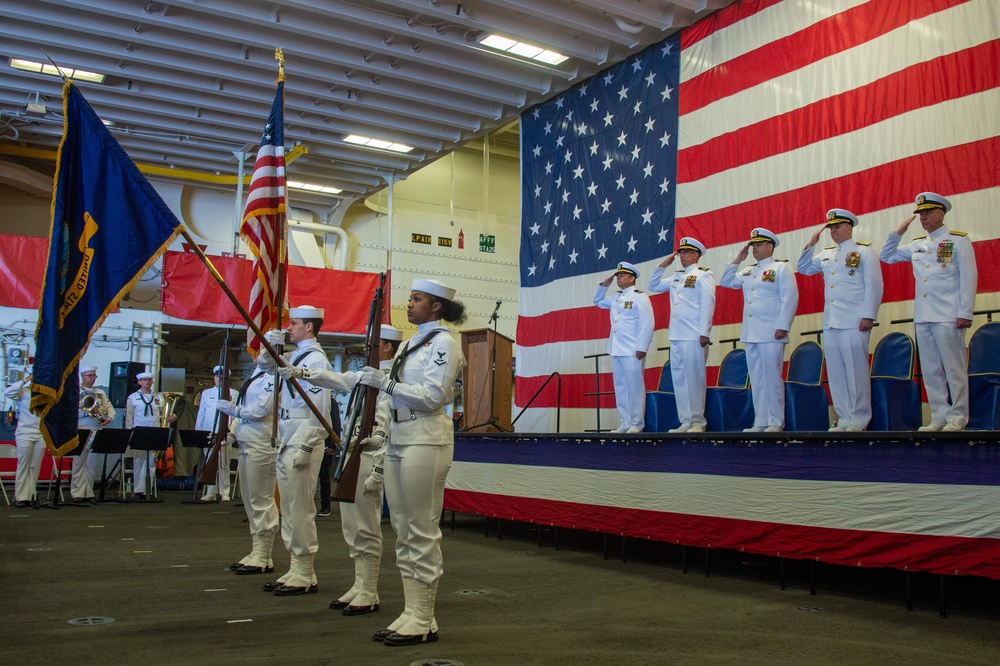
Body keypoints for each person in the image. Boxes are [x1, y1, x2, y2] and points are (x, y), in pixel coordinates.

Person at [357, 279, 467, 646]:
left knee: (421, 529)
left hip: (426, 437)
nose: (410, 304)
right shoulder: (408, 343)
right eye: (411, 298)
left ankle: (425, 617)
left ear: (436, 306)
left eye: (417, 299)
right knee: (402, 530)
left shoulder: (445, 343)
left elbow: (433, 396)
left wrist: (386, 385)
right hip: (401, 436)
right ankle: (411, 609)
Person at [282, 323, 404, 617]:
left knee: (366, 526)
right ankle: (359, 584)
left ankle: (369, 589)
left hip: (368, 454)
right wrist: (303, 373)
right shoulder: (365, 375)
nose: (365, 350)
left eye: (372, 345)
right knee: (352, 527)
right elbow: (337, 379)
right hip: (351, 455)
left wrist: (378, 468)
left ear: (386, 347)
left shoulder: (390, 379)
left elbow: (387, 424)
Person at [879, 192, 978, 431]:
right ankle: (939, 416)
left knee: (954, 368)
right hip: (924, 315)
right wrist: (897, 233)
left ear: (941, 214)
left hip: (948, 315)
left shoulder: (958, 241)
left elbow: (968, 278)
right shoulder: (917, 244)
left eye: (928, 212)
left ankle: (958, 417)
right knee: (931, 368)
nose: (923, 217)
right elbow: (887, 256)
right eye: (920, 213)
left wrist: (966, 311)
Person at [255, 305, 333, 596]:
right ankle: (295, 567)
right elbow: (266, 366)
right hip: (286, 437)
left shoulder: (317, 361)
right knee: (288, 508)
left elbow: (320, 410)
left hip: (303, 438)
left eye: (294, 323)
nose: (289, 327)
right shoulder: (296, 356)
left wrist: (305, 444)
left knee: (300, 508)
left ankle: (305, 571)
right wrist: (268, 346)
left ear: (309, 327)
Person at [798, 209, 884, 432]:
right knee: (836, 373)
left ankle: (860, 418)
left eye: (837, 227)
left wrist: (869, 315)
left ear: (849, 228)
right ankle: (844, 418)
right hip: (832, 321)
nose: (833, 231)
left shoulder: (863, 251)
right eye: (831, 228)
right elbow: (804, 268)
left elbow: (874, 284)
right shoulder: (827, 254)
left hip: (855, 320)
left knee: (856, 372)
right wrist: (811, 244)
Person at [720, 228, 799, 432]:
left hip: (772, 331)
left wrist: (783, 326)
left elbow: (790, 298)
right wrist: (737, 260)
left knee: (772, 378)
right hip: (751, 332)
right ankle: (761, 420)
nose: (754, 248)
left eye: (758, 245)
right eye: (753, 245)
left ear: (770, 246)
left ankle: (775, 422)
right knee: (757, 378)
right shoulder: (748, 270)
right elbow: (726, 282)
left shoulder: (780, 268)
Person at [648, 237, 716, 433]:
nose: (681, 256)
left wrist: (705, 332)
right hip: (677, 334)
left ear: (695, 254)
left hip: (694, 335)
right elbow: (653, 286)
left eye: (685, 252)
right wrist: (662, 266)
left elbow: (707, 304)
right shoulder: (677, 276)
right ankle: (685, 421)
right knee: (679, 378)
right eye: (680, 253)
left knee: (695, 378)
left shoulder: (703, 275)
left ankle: (698, 422)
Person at [215, 366, 277, 575]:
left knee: (262, 499)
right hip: (246, 438)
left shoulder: (273, 374)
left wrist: (234, 411)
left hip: (262, 440)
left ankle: (264, 554)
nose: (253, 352)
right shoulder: (257, 374)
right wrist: (232, 433)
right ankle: (257, 549)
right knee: (250, 499)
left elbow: (262, 409)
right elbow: (246, 405)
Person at [593, 261, 655, 433]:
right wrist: (603, 286)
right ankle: (625, 422)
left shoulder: (639, 296)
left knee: (635, 387)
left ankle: (637, 423)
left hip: (632, 349)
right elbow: (597, 301)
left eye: (622, 275)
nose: (618, 278)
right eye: (617, 275)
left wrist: (642, 347)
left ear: (631, 278)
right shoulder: (616, 298)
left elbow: (648, 323)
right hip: (617, 348)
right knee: (620, 387)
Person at [124, 371, 176, 500]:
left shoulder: (158, 397)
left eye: (149, 380)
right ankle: (138, 490)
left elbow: (165, 412)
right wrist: (129, 432)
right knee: (139, 460)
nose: (147, 382)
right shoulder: (133, 397)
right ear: (140, 382)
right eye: (144, 380)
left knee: (151, 461)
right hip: (139, 431)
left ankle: (148, 489)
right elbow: (129, 417)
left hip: (154, 430)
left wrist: (172, 416)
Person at [72, 365, 115, 502]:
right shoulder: (76, 390)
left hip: (96, 428)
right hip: (81, 428)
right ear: (82, 376)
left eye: (94, 376)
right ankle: (77, 493)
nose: (92, 378)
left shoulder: (100, 392)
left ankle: (88, 492)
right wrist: (87, 413)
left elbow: (109, 408)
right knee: (79, 462)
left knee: (92, 463)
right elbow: (71, 411)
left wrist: (109, 418)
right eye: (89, 375)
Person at [4, 369, 44, 508]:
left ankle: (31, 495)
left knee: (35, 466)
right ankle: (21, 496)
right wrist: (25, 379)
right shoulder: (24, 392)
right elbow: (7, 392)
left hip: (41, 433)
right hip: (25, 432)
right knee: (24, 465)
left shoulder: (46, 392)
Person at [196, 365, 235, 502]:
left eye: (223, 377)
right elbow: (202, 413)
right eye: (218, 376)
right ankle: (210, 492)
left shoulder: (233, 393)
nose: (220, 379)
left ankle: (225, 492)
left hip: (225, 432)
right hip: (209, 432)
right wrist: (199, 433)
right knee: (209, 463)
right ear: (214, 377)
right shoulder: (207, 393)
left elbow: (236, 416)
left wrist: (234, 433)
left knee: (224, 463)